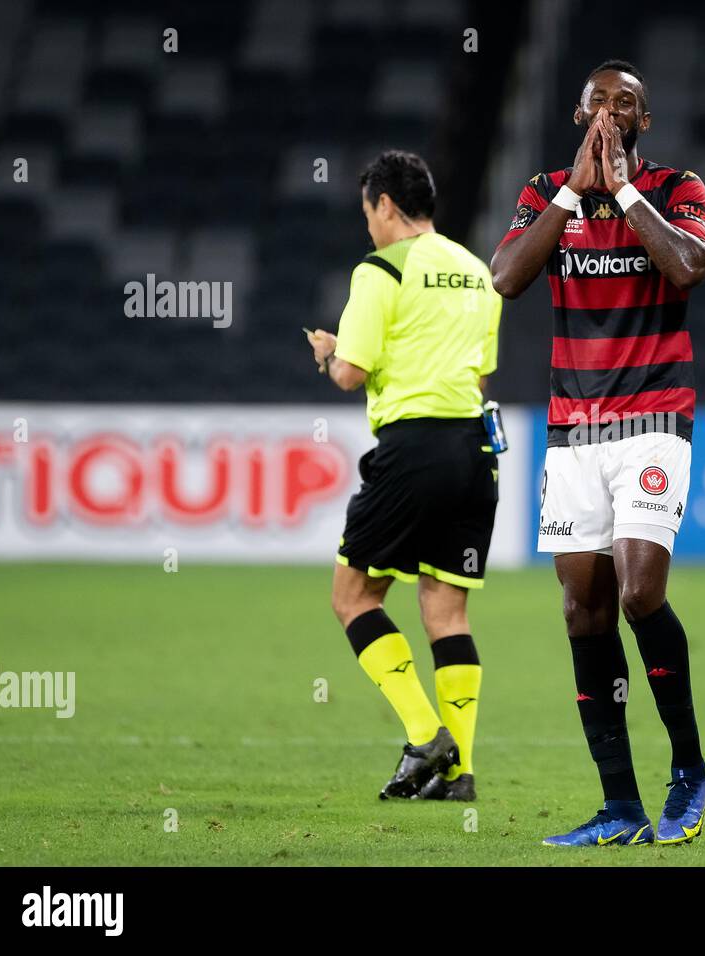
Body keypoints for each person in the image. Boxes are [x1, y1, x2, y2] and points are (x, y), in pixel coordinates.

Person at [490, 59, 705, 846]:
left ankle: (688, 769)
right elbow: (506, 278)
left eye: (626, 105)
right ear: (578, 114)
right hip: (574, 430)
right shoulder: (540, 191)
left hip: (654, 414)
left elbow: (688, 264)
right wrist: (571, 193)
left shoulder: (680, 188)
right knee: (583, 609)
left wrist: (620, 191)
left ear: (643, 122)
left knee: (638, 592)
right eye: (599, 103)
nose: (611, 114)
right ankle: (620, 806)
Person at [307, 150, 501, 799]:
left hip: (412, 449)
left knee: (353, 598)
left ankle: (425, 735)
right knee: (447, 612)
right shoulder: (478, 272)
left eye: (368, 212)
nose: (368, 226)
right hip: (475, 450)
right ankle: (462, 773)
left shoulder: (381, 269)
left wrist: (330, 353)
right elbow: (479, 375)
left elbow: (353, 373)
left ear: (386, 205)